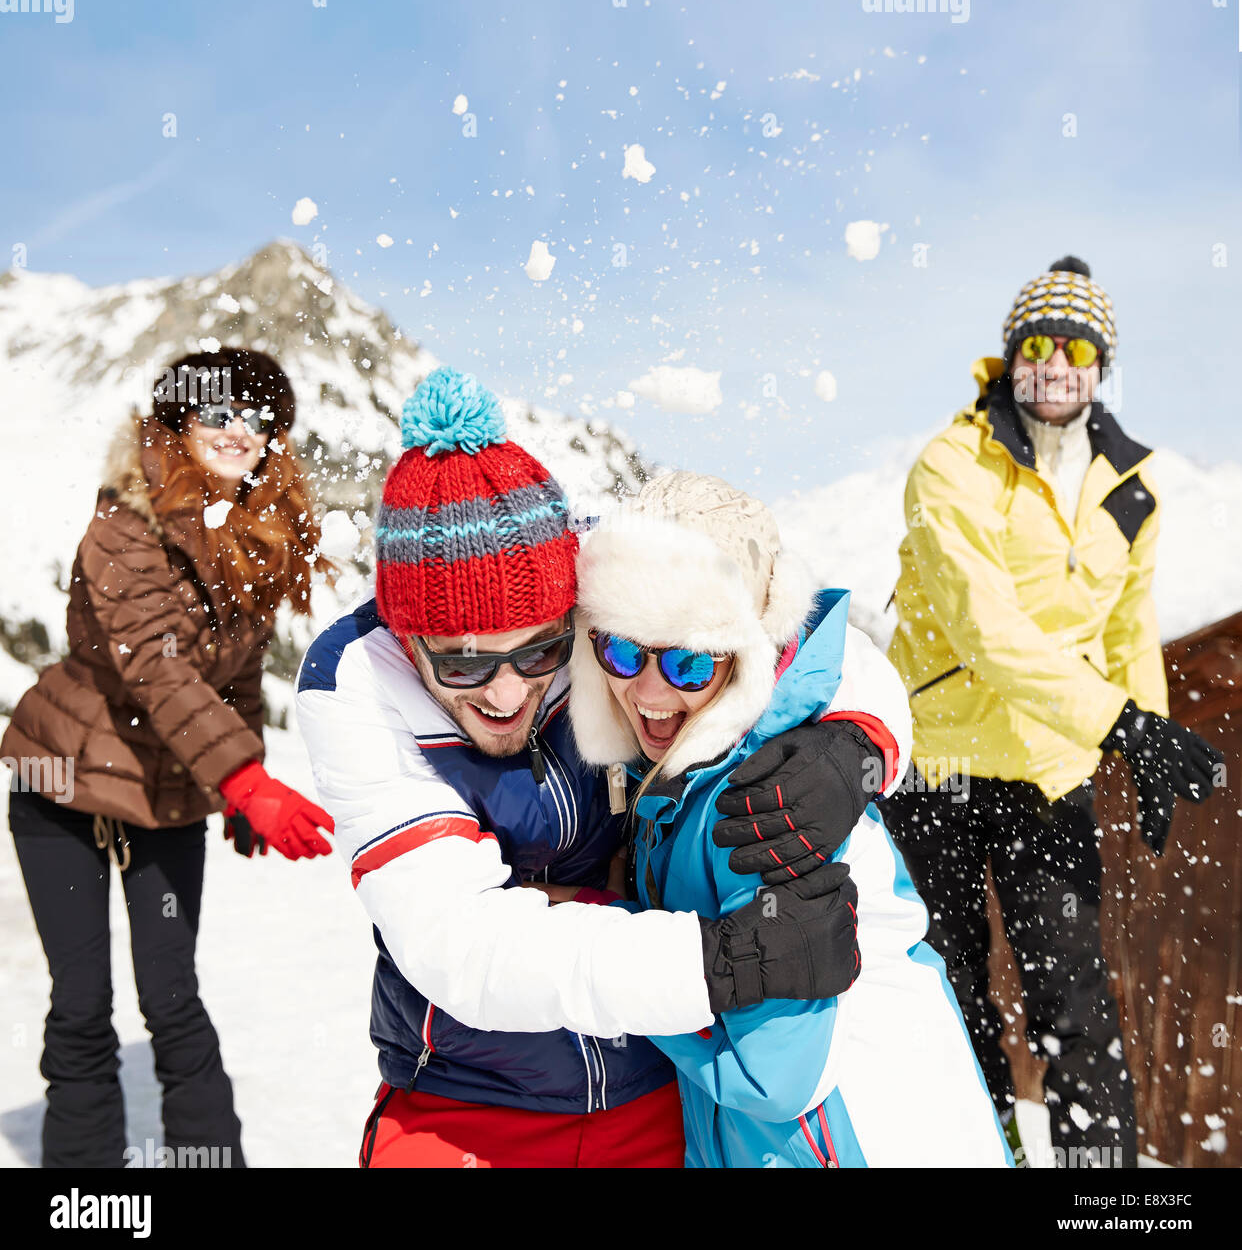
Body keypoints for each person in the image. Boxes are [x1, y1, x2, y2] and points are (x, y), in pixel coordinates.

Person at [295, 367, 909, 1169]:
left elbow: (785, 622)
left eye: (543, 650)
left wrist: (861, 742)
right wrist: (717, 960)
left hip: (651, 1084)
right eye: (463, 666)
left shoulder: (587, 566)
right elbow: (463, 944)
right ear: (408, 641)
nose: (509, 692)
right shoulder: (358, 682)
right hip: (470, 1093)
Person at [880, 257, 1224, 1168]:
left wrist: (1144, 738)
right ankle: (979, 1151)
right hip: (939, 766)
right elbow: (986, 627)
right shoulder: (951, 465)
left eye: (1075, 347)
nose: (1055, 363)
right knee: (947, 994)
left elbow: (1127, 627)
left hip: (1047, 768)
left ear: (1101, 364)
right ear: (1009, 358)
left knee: (1074, 1007)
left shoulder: (1130, 486)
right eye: (1037, 344)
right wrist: (1125, 727)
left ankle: (1096, 1192)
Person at [561, 469, 1010, 1168]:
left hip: (862, 1141)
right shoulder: (683, 769)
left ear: (746, 658)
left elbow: (771, 1080)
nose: (645, 691)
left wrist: (606, 944)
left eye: (687, 663)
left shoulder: (768, 808)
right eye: (620, 649)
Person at [4, 349, 336, 1169]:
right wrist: (244, 779)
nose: (237, 431)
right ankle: (84, 1199)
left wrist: (237, 781)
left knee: (172, 997)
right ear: (177, 422)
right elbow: (155, 663)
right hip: (60, 778)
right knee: (82, 1003)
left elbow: (239, 680)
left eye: (258, 418)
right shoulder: (125, 523)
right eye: (217, 413)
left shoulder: (255, 535)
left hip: (170, 793)